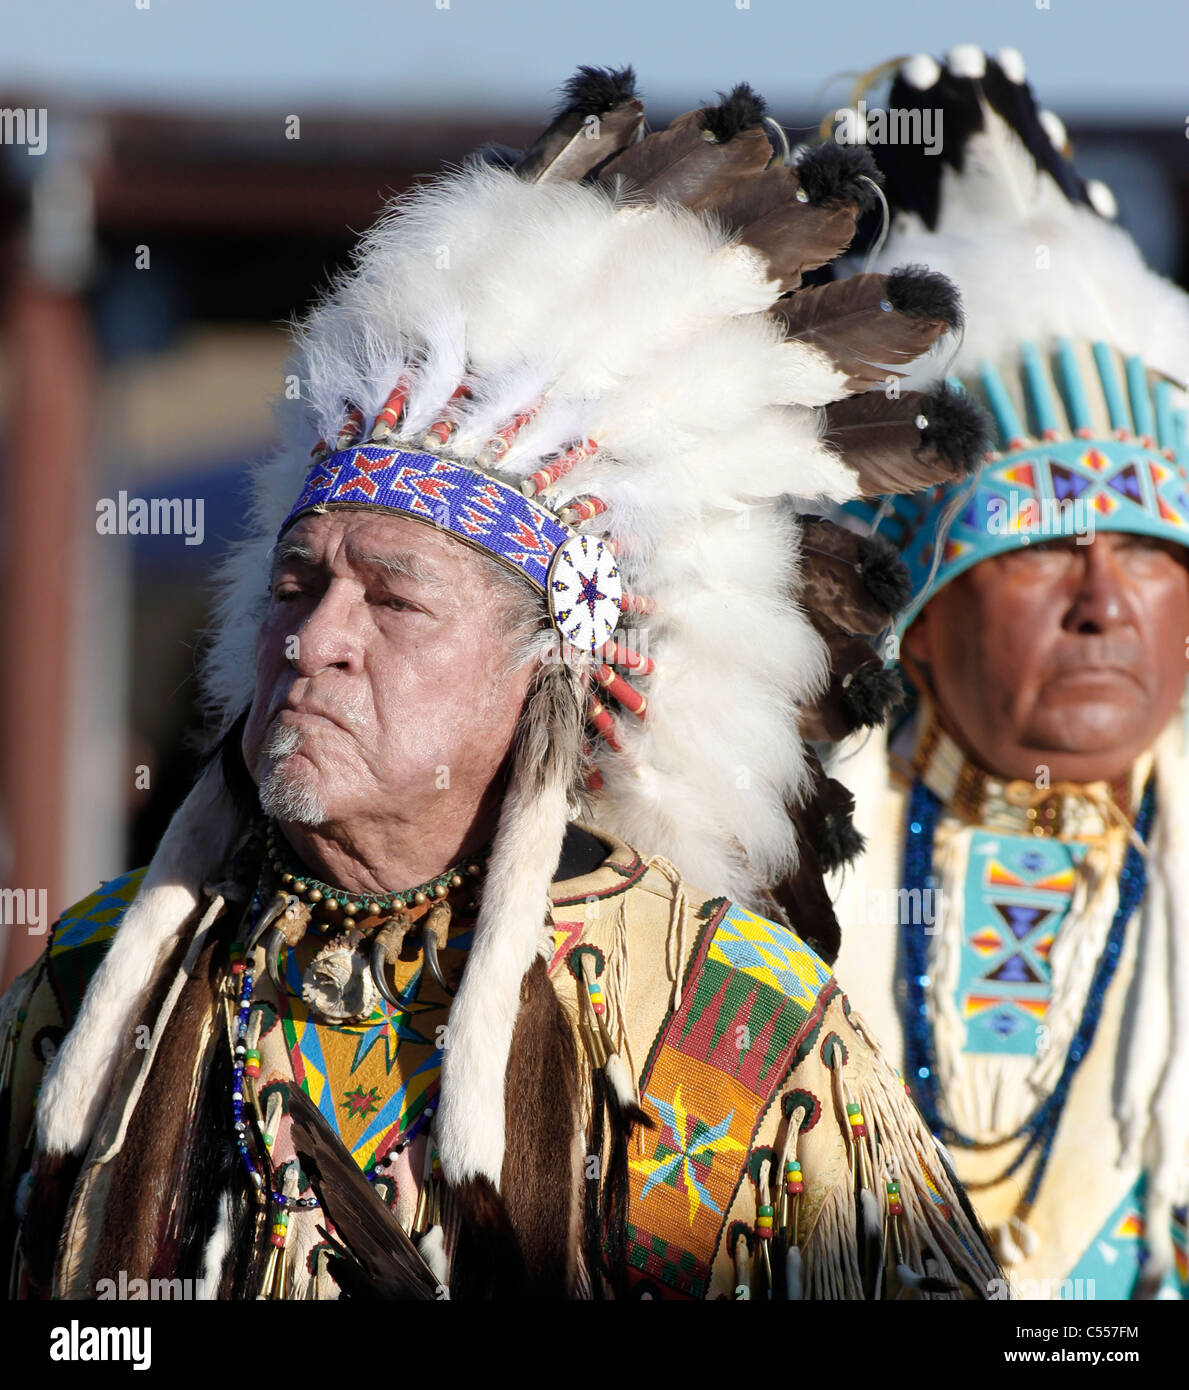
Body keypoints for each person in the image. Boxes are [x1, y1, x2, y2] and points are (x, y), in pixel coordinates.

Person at [0, 67, 995, 1301]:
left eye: (394, 598)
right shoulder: (101, 985)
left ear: (552, 664)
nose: (316, 640)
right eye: (299, 586)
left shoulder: (722, 1024)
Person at [829, 47, 1189, 1298]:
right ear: (915, 623)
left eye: (1148, 554)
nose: (1103, 605)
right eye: (1040, 555)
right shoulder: (775, 864)